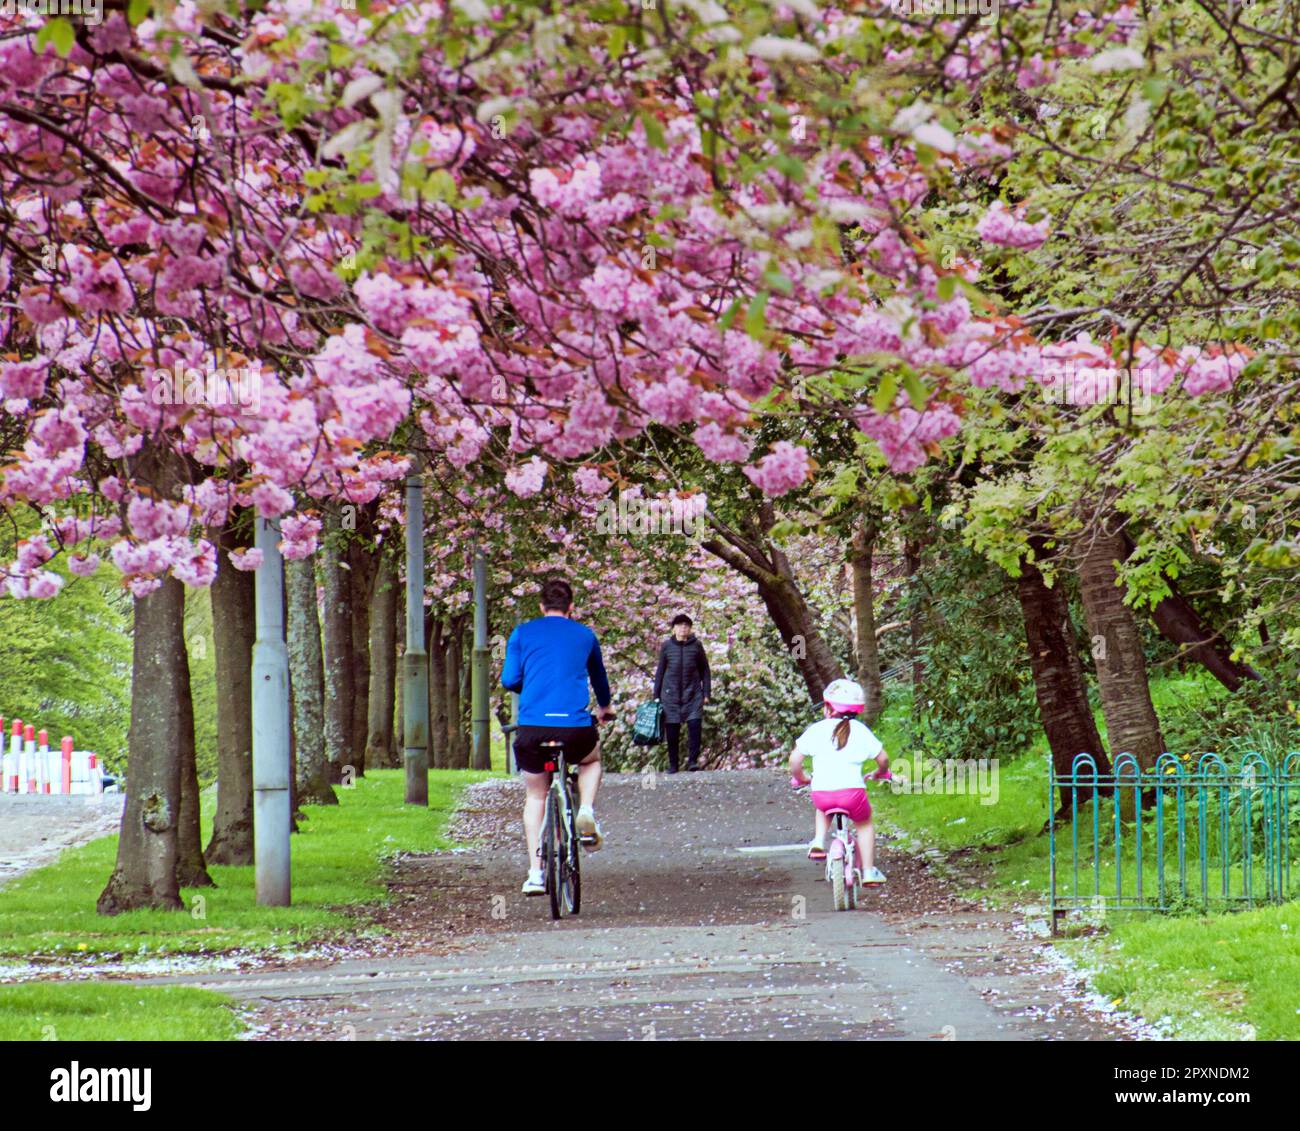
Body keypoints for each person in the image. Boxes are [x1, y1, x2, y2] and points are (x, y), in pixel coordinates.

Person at [501, 577, 615, 895]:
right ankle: (586, 810)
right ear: (571, 608)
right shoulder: (585, 635)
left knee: (536, 795)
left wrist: (534, 686)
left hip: (533, 729)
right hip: (575, 729)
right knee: (590, 761)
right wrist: (604, 708)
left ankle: (535, 874)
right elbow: (599, 680)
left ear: (541, 606)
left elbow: (509, 679)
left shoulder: (522, 633)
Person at [789, 678, 889, 885]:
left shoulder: (816, 730)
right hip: (853, 795)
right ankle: (869, 872)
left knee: (823, 807)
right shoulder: (861, 731)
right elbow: (883, 758)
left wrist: (802, 778)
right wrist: (881, 772)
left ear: (828, 708)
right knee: (864, 824)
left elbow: (795, 760)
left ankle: (818, 841)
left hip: (823, 794)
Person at [652, 614, 711, 773]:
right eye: (679, 625)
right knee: (671, 730)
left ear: (690, 629)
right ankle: (673, 764)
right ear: (674, 628)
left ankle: (692, 761)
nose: (683, 628)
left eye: (686, 625)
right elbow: (660, 671)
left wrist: (706, 693)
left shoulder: (697, 646)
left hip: (693, 694)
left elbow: (705, 670)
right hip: (670, 695)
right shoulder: (667, 646)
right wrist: (656, 695)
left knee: (695, 726)